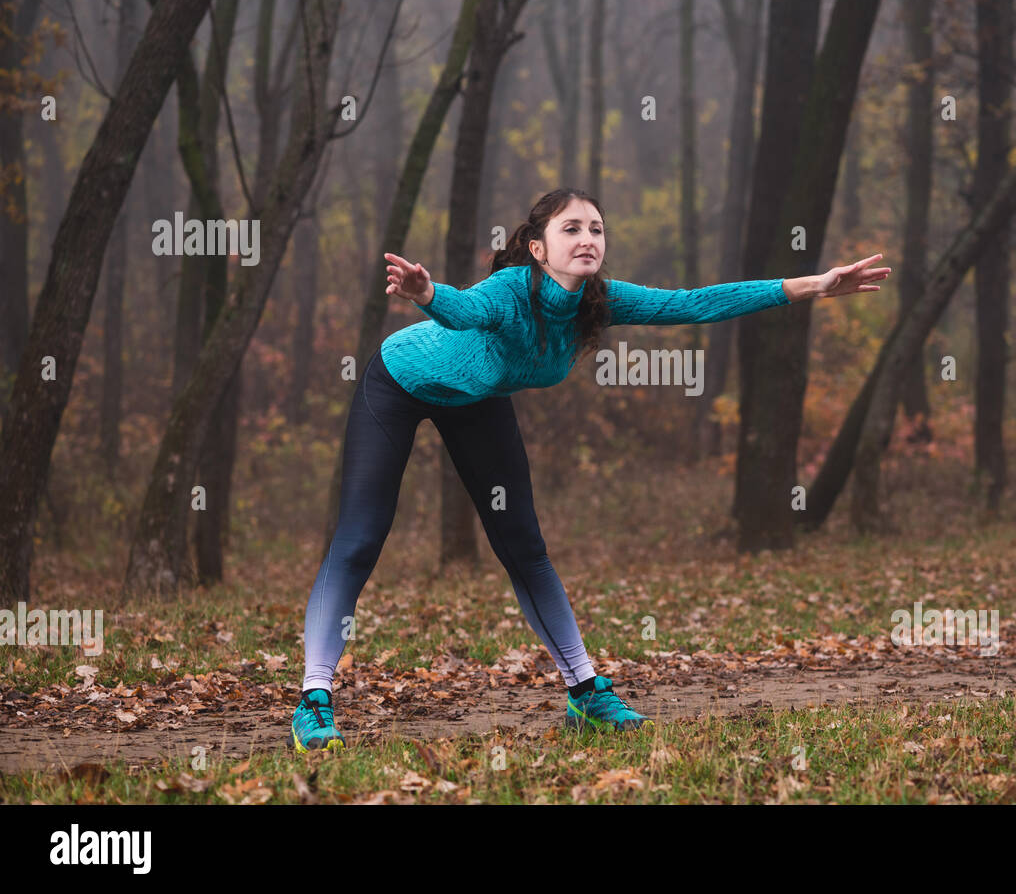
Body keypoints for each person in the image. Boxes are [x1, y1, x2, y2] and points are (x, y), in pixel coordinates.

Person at [291, 188, 891, 751]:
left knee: (525, 547)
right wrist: (425, 293)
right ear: (537, 247)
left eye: (596, 229)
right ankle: (314, 700)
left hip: (478, 398)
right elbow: (462, 309)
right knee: (361, 538)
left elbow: (695, 303)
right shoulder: (509, 290)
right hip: (399, 383)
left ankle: (585, 692)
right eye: (571, 228)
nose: (587, 238)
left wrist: (814, 285)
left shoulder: (599, 301)